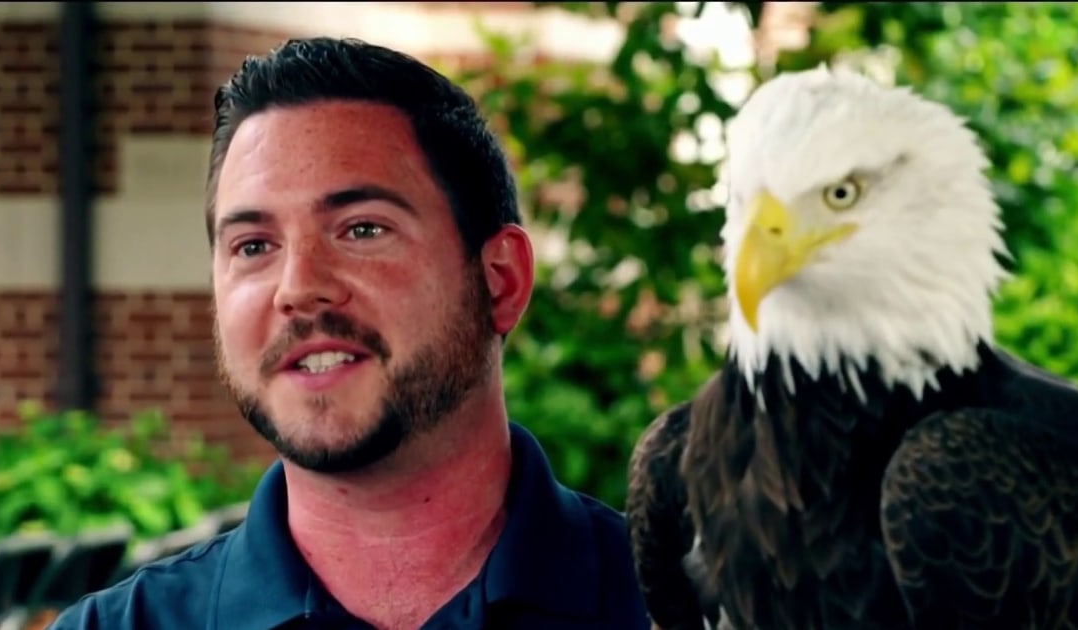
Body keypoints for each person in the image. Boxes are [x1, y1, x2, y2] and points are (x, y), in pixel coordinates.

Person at [49, 36, 651, 630]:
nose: (298, 287)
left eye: (362, 230)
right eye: (253, 246)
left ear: (501, 280)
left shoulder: (689, 609)